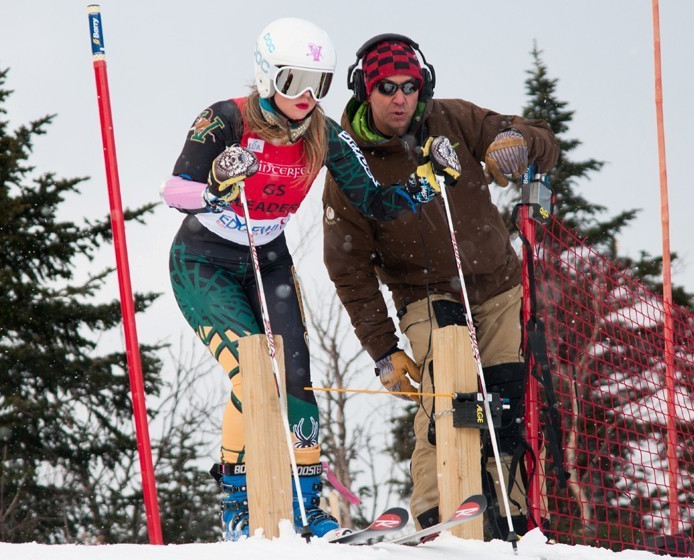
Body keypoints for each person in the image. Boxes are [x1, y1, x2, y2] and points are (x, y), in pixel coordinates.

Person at [161, 19, 460, 541]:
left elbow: (374, 202)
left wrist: (426, 182)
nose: (305, 95)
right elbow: (173, 190)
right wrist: (214, 187)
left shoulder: (325, 134)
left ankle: (307, 506)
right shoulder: (225, 119)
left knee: (296, 376)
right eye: (292, 80)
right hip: (205, 260)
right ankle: (236, 505)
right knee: (253, 372)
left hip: (268, 258)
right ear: (267, 76)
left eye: (317, 83)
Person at [322, 34, 559, 538]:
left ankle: (510, 520)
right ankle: (435, 520)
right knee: (448, 401)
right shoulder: (349, 163)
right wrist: (384, 350)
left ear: (423, 86)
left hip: (497, 288)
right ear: (365, 91)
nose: (400, 99)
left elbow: (541, 138)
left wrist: (514, 143)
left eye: (410, 87)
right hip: (424, 295)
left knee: (505, 406)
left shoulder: (453, 118)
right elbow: (348, 267)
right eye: (387, 88)